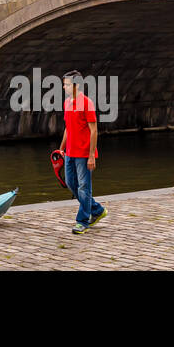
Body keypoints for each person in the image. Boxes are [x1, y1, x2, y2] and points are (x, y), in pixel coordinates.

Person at [58, 71, 106, 234]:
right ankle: (97, 210)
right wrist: (62, 147)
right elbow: (68, 127)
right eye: (64, 84)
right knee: (72, 184)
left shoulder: (87, 103)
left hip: (84, 153)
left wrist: (92, 155)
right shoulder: (67, 103)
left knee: (84, 187)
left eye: (67, 84)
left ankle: (82, 221)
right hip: (70, 152)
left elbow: (94, 130)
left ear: (77, 85)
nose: (64, 87)